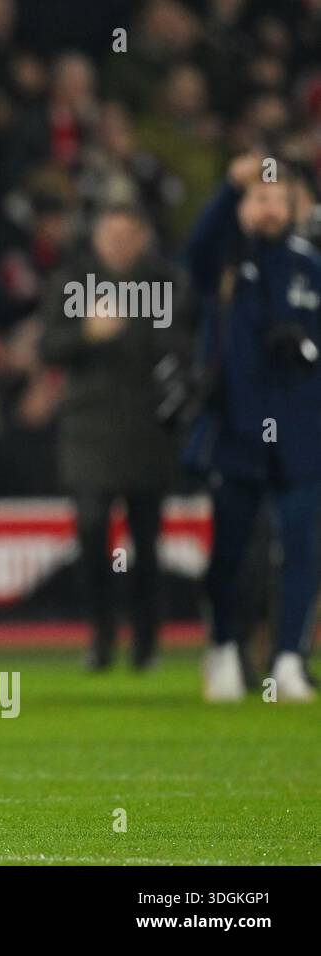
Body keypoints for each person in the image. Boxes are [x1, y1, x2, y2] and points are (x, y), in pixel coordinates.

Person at [186, 154, 321, 702]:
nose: (269, 209)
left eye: (278, 199)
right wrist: (225, 189)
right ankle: (222, 645)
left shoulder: (310, 266)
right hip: (238, 429)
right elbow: (193, 255)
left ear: (295, 207)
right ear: (243, 206)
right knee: (231, 552)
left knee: (300, 547)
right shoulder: (224, 261)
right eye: (258, 198)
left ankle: (288, 657)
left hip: (303, 430)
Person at [39, 204, 189, 671]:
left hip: (149, 430)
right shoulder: (71, 282)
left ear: (143, 236)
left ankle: (146, 646)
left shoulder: (168, 282)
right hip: (89, 430)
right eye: (111, 234)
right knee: (91, 533)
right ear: (97, 237)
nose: (119, 243)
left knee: (147, 543)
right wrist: (87, 332)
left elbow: (186, 345)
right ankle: (100, 641)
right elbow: (48, 348)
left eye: (128, 233)